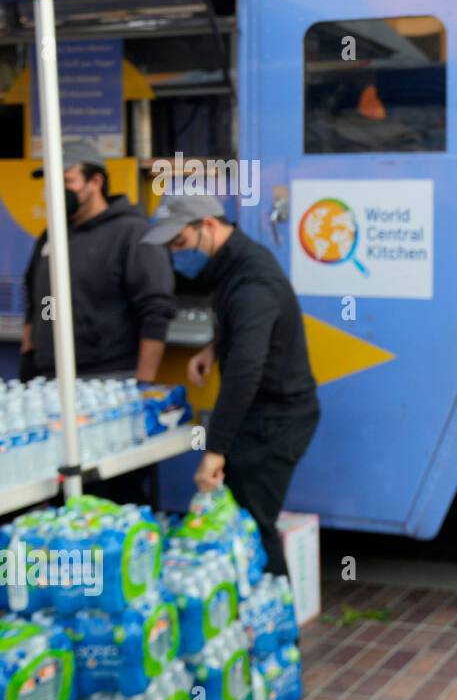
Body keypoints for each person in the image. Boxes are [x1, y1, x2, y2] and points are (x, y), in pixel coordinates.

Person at [142, 194, 319, 577]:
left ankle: (276, 626)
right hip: (265, 413)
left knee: (253, 526)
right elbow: (243, 331)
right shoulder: (232, 266)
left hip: (277, 420)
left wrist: (215, 450)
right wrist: (213, 349)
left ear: (207, 225)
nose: (176, 256)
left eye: (180, 243)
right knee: (242, 522)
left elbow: (245, 370)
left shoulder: (252, 280)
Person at [21, 141, 175, 383]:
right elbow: (36, 302)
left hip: (108, 378)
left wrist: (143, 383)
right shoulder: (51, 236)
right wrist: (29, 355)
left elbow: (156, 311)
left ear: (95, 182)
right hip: (49, 377)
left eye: (66, 181)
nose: (55, 190)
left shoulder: (132, 233)